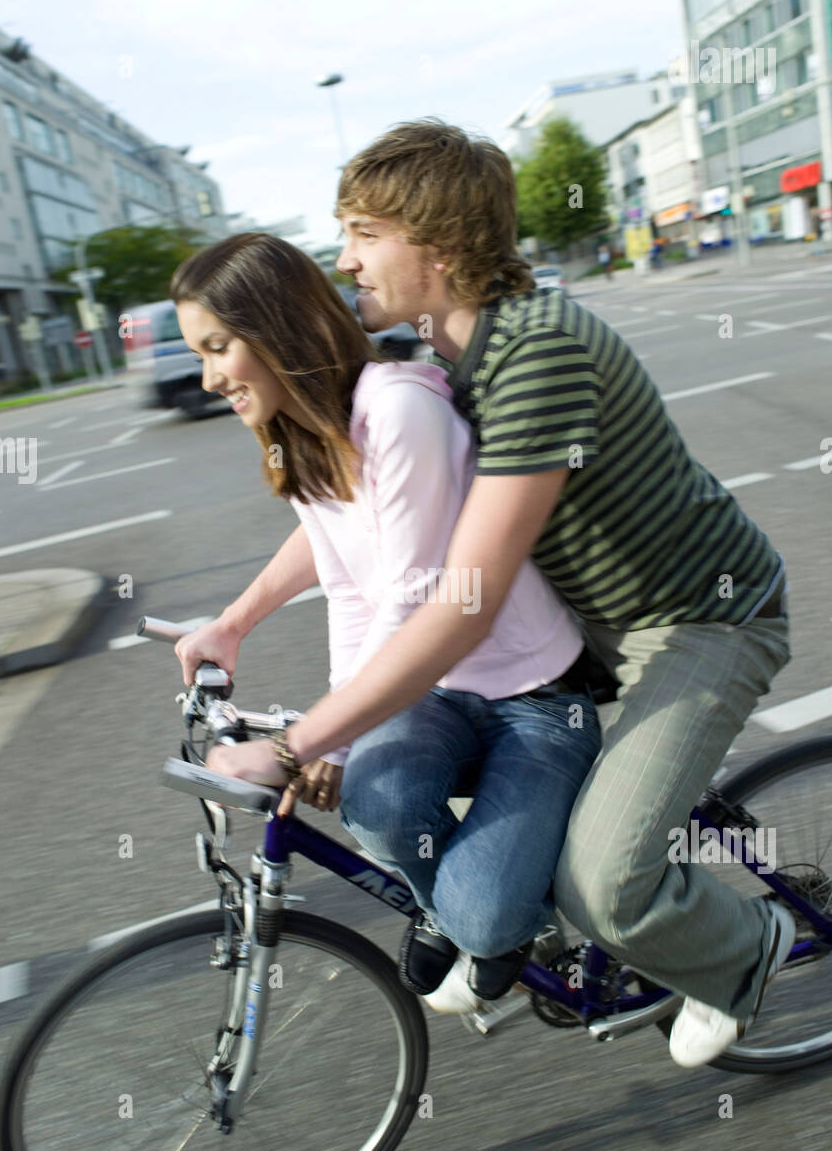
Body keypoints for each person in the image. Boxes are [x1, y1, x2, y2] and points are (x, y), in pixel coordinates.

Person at [183, 121, 795, 1068]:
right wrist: (239, 621)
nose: (343, 260)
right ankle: (508, 901)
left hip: (698, 620)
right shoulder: (449, 359)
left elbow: (459, 598)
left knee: (605, 888)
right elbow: (355, 523)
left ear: (436, 243)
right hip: (595, 627)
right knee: (414, 803)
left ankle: (744, 950)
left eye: (362, 233)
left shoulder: (534, 355)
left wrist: (305, 740)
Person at [171, 232, 601, 1011]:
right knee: (378, 803)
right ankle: (483, 910)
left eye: (218, 347)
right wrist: (246, 635)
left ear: (274, 327)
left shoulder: (398, 410)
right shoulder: (303, 433)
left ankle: (502, 915)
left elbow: (408, 605)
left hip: (536, 697)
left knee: (480, 913)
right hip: (436, 693)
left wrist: (317, 741)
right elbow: (349, 591)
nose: (207, 378)